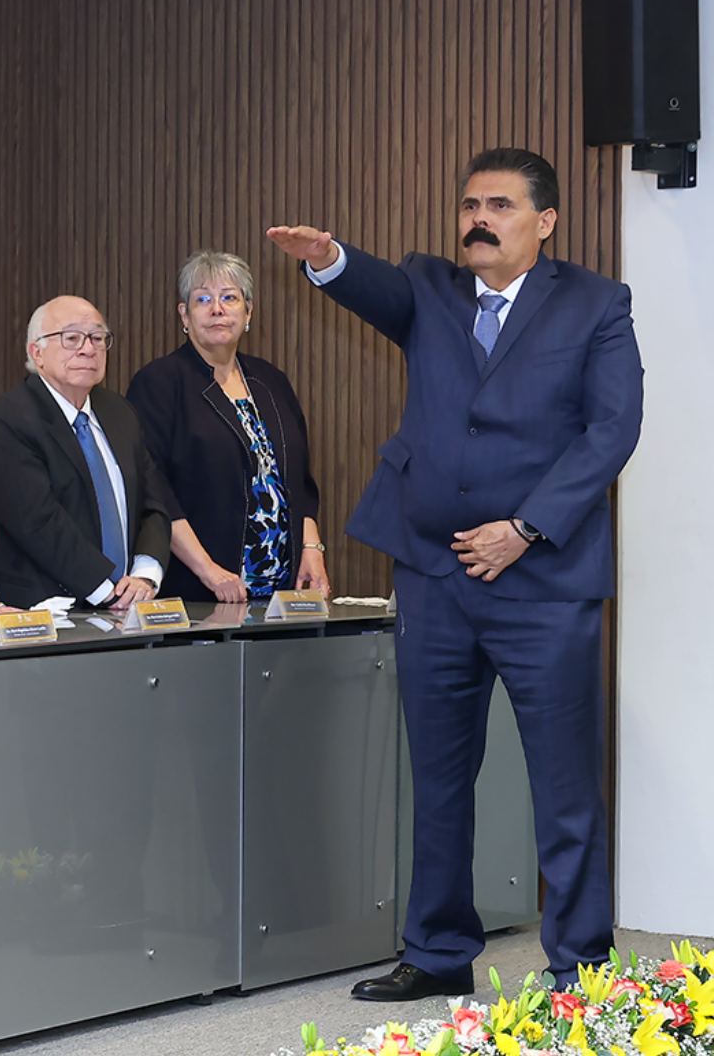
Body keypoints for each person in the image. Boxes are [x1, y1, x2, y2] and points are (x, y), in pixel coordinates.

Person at [266, 146, 643, 1000]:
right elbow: (373, 288)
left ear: (544, 221)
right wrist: (327, 259)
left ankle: (580, 966)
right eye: (471, 203)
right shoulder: (432, 289)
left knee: (564, 782)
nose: (479, 218)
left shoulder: (595, 304)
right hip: (434, 576)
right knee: (437, 778)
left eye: (501, 206)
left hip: (542, 583)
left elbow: (611, 432)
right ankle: (438, 954)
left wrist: (526, 528)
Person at [126, 251, 328, 604]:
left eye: (229, 298)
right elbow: (154, 491)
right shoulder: (159, 382)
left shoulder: (271, 381)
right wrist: (208, 570)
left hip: (283, 593)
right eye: (202, 299)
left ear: (248, 312)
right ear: (184, 315)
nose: (217, 309)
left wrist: (312, 548)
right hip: (201, 593)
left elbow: (299, 481)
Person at [0, 295, 171, 612]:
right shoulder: (10, 418)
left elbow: (153, 503)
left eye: (97, 337)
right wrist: (106, 589)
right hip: (47, 610)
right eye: (72, 338)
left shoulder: (119, 412)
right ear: (36, 352)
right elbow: (36, 520)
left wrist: (145, 576)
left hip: (128, 604)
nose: (88, 349)